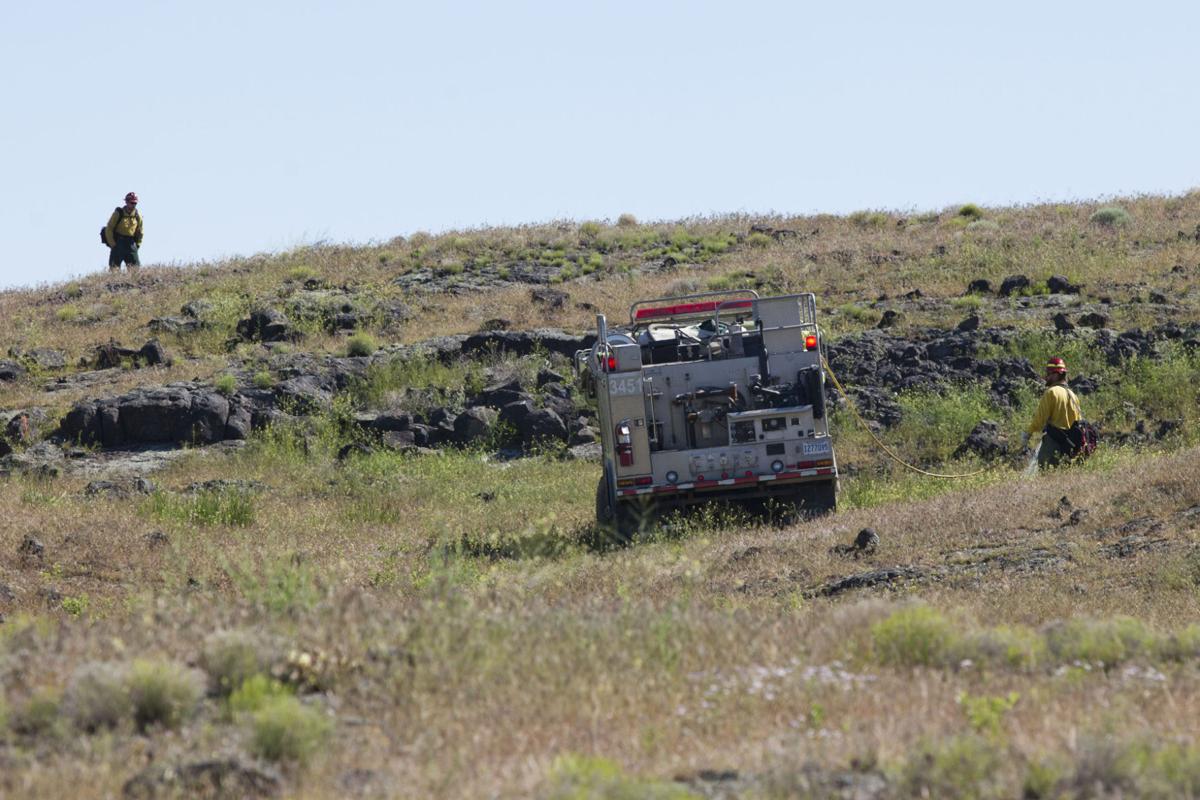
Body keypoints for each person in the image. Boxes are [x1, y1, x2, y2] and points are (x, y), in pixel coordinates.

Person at [1022, 356, 1083, 469]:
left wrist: (1028, 434)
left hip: (1052, 445)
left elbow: (1040, 420)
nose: (1046, 377)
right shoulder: (1073, 396)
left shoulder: (1051, 392)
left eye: (1049, 373)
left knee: (1045, 476)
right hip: (1068, 448)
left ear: (1056, 374)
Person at [105, 192, 143, 271]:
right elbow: (109, 229)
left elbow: (140, 231)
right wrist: (113, 245)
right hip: (119, 242)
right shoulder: (118, 213)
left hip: (131, 243)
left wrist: (137, 244)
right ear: (126, 202)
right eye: (131, 203)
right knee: (114, 268)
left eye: (135, 203)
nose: (133, 205)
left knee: (135, 269)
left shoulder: (137, 215)